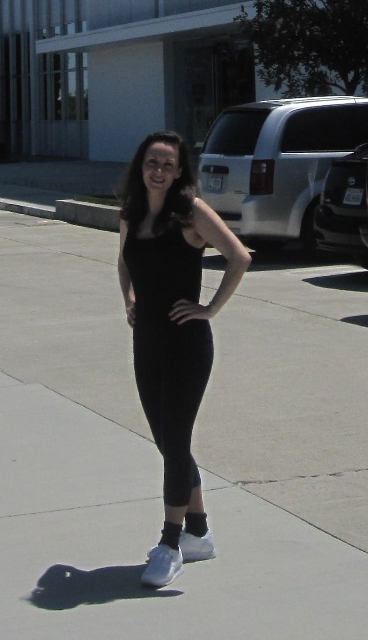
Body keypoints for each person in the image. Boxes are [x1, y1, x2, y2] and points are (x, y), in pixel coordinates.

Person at [117, 129, 251, 589]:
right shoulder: (132, 213)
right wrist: (129, 297)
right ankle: (198, 532)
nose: (158, 171)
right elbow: (123, 261)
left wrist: (209, 308)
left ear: (179, 172)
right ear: (141, 165)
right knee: (168, 442)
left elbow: (239, 257)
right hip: (146, 342)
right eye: (152, 162)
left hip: (186, 345)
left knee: (174, 442)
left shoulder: (190, 213)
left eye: (167, 165)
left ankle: (170, 543)